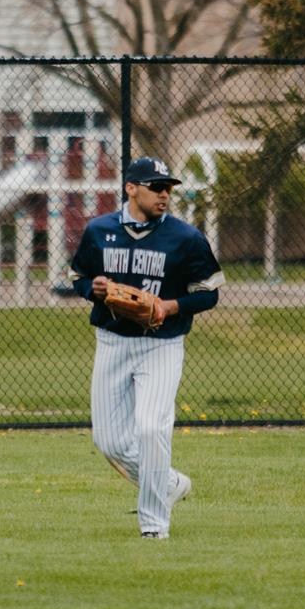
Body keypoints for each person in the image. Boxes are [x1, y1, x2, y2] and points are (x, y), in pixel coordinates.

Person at [70, 157, 224, 539]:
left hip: (162, 345)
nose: (164, 194)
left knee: (152, 427)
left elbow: (209, 293)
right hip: (112, 341)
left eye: (168, 187)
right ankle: (168, 483)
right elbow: (79, 276)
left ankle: (154, 525)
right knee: (108, 440)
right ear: (131, 188)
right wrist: (96, 290)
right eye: (156, 186)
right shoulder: (99, 230)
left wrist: (169, 307)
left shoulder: (186, 238)